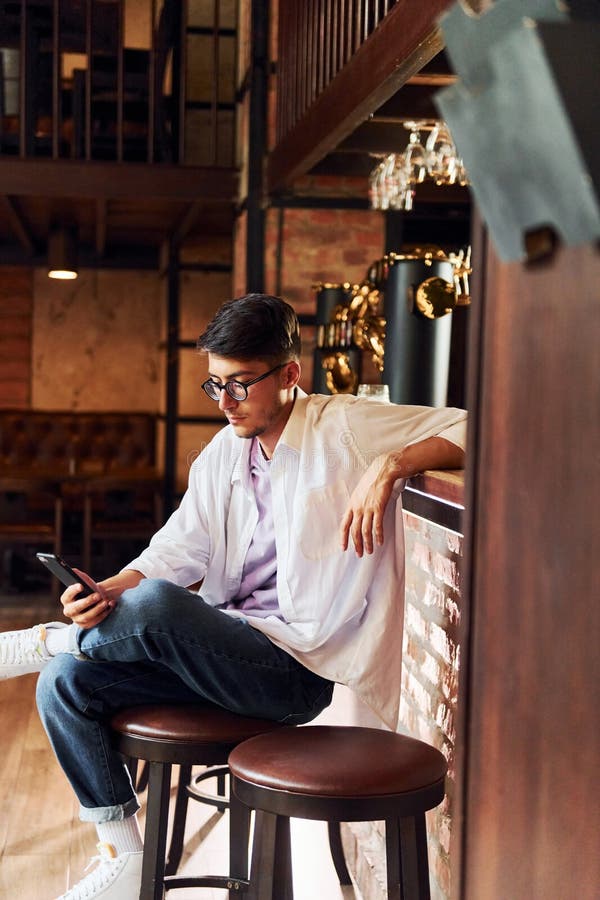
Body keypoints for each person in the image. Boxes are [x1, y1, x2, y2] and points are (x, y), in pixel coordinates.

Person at [0, 294, 467, 899]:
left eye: (240, 385)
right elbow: (174, 551)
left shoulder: (343, 427)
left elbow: (471, 427)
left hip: (291, 672)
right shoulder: (223, 452)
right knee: (62, 680)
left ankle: (40, 641)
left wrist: (388, 468)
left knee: (158, 607)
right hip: (224, 657)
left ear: (290, 375)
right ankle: (123, 857)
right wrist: (105, 593)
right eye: (214, 385)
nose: (224, 403)